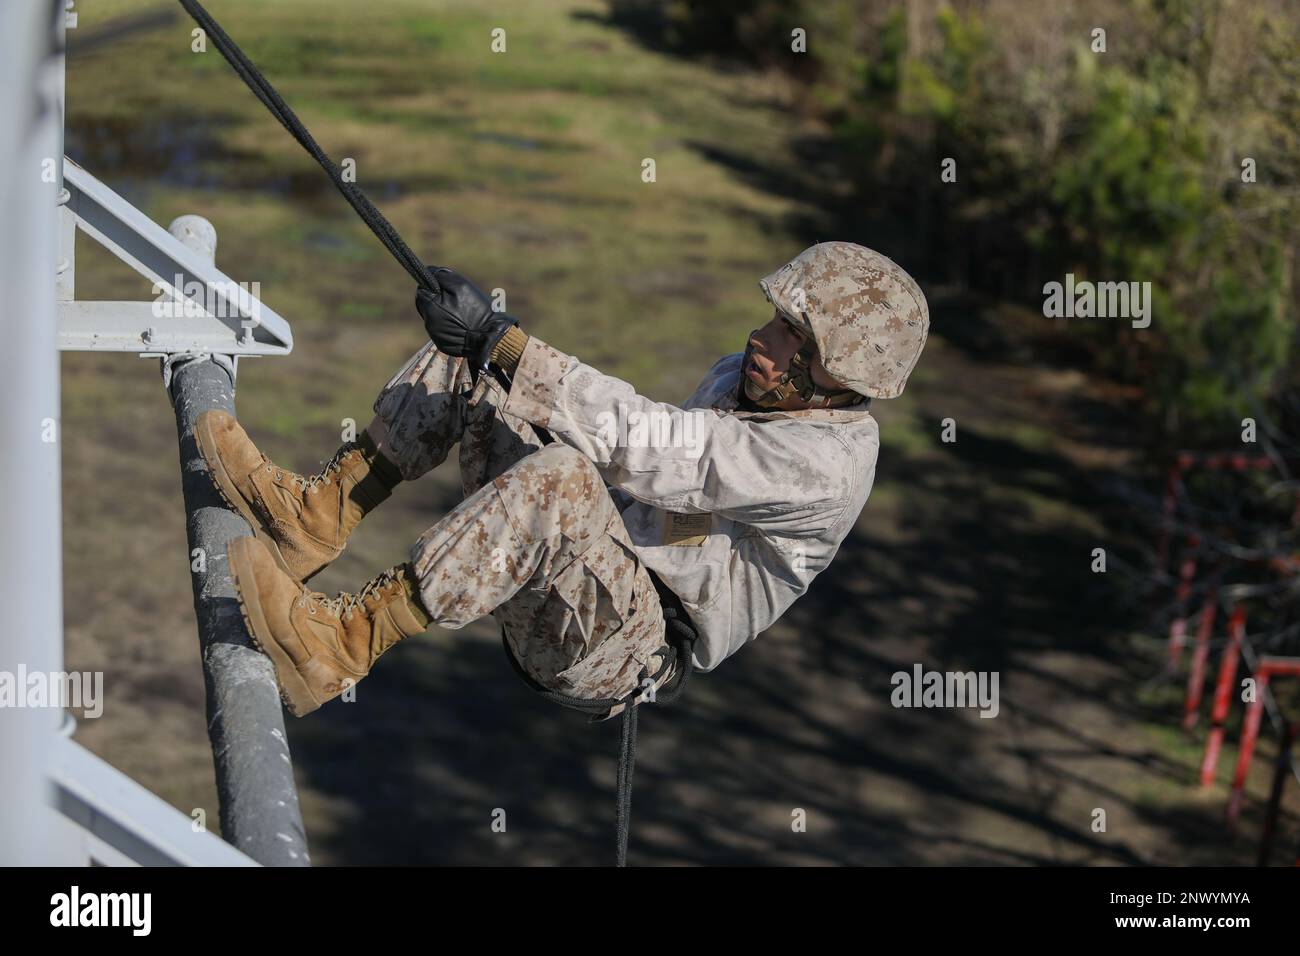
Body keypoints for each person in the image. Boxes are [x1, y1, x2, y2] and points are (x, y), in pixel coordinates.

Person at [199, 241, 929, 719]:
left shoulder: (824, 468)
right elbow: (650, 466)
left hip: (619, 649)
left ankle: (341, 646)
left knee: (561, 471)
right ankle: (318, 516)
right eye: (776, 321)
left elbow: (665, 451)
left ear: (840, 381)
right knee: (482, 371)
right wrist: (492, 349)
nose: (761, 341)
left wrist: (508, 342)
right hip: (588, 562)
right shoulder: (751, 379)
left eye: (794, 339)